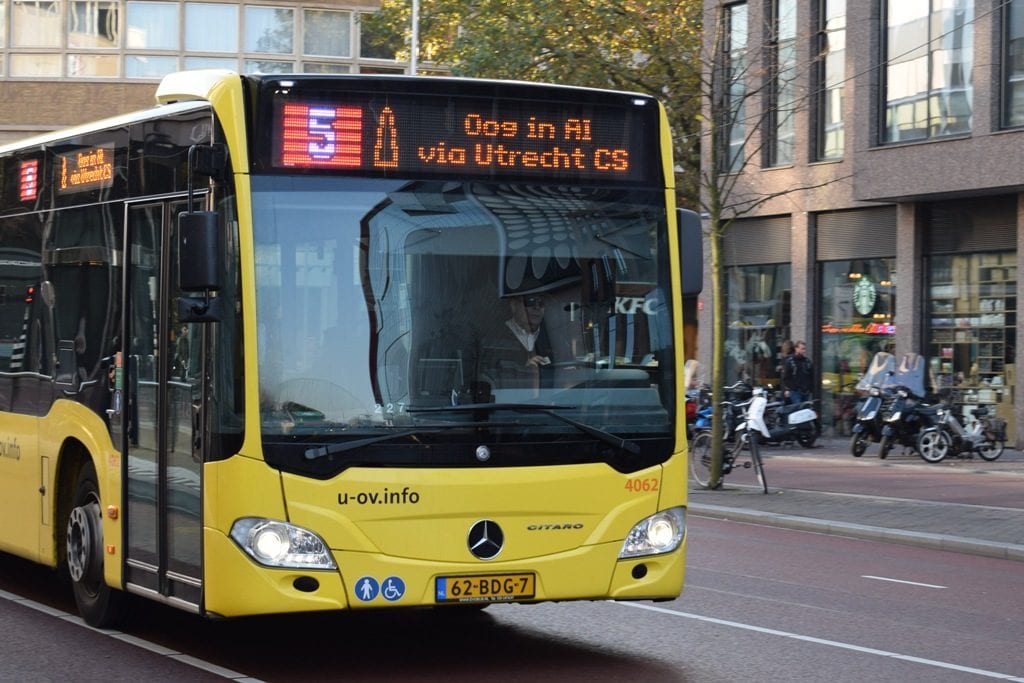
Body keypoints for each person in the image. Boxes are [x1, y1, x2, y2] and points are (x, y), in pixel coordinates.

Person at [480, 294, 552, 388]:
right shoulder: (493, 337)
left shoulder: (555, 339)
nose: (537, 307)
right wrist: (525, 369)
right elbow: (485, 378)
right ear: (514, 305)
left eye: (541, 303)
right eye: (530, 301)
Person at [782, 339, 813, 404]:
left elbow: (811, 375)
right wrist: (792, 388)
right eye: (802, 349)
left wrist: (809, 388)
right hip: (796, 391)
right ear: (796, 348)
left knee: (804, 409)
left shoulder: (807, 361)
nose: (803, 351)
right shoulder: (790, 361)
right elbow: (786, 377)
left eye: (804, 349)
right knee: (798, 409)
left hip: (805, 391)